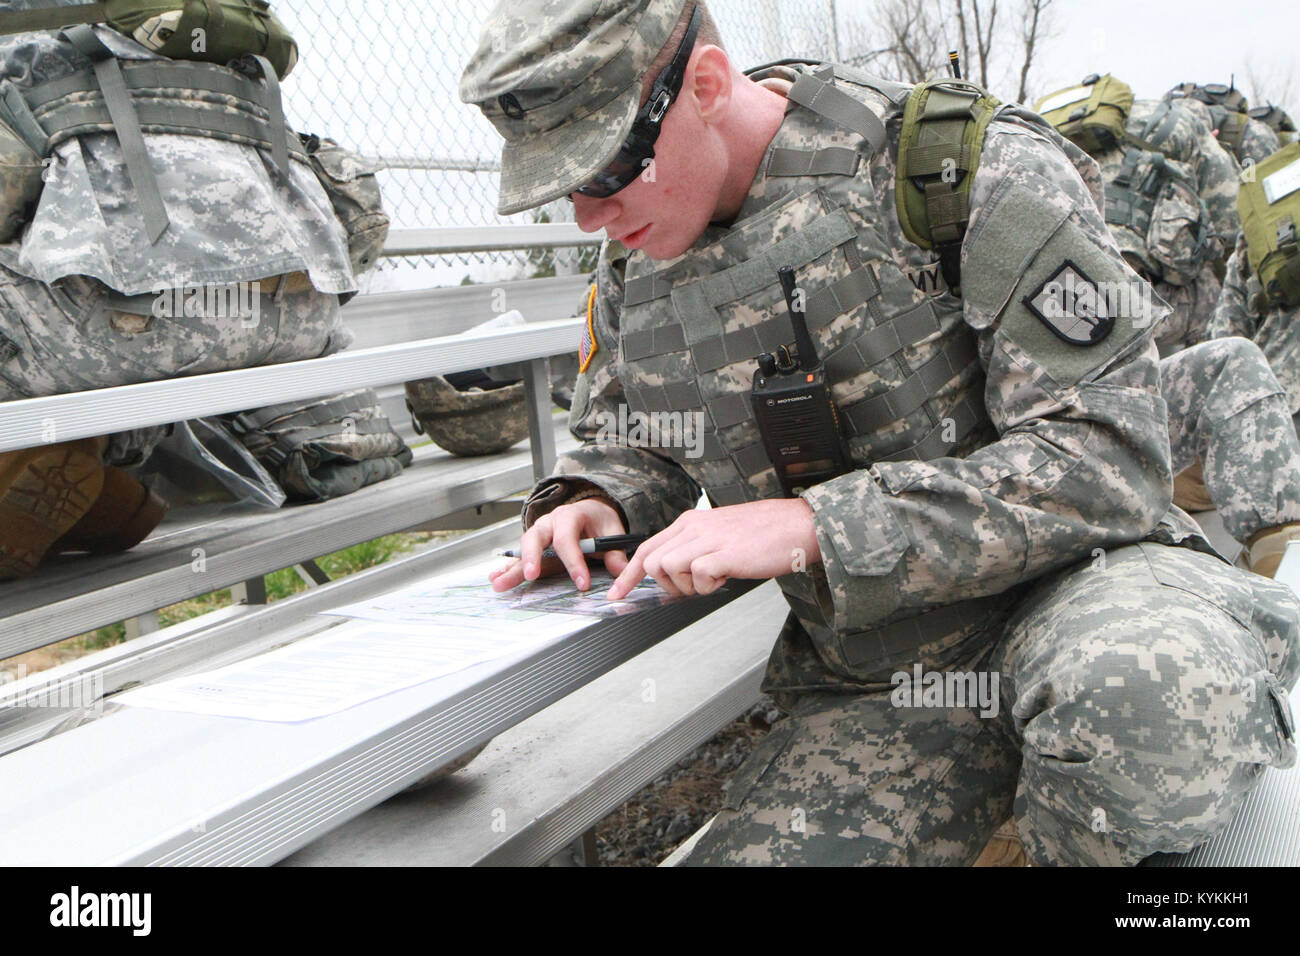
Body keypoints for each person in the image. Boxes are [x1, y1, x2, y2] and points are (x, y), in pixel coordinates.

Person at [464, 0, 1300, 866]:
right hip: (888, 682)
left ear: (705, 86)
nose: (587, 218)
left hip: (1086, 597)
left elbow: (1110, 459)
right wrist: (595, 499)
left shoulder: (959, 169)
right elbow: (630, 437)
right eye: (567, 186)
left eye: (604, 172)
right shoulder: (637, 258)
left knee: (1144, 700)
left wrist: (818, 525)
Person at [0, 9, 394, 578]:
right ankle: (104, 498)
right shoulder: (229, 61)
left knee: (91, 336)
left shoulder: (29, 49)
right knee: (125, 351)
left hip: (125, 322)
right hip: (297, 316)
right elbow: (360, 218)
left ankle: (82, 485)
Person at [1036, 75, 1240, 354]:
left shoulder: (1041, 133)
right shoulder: (1185, 125)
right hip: (1130, 310)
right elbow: (1230, 222)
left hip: (1052, 307)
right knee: (1213, 290)